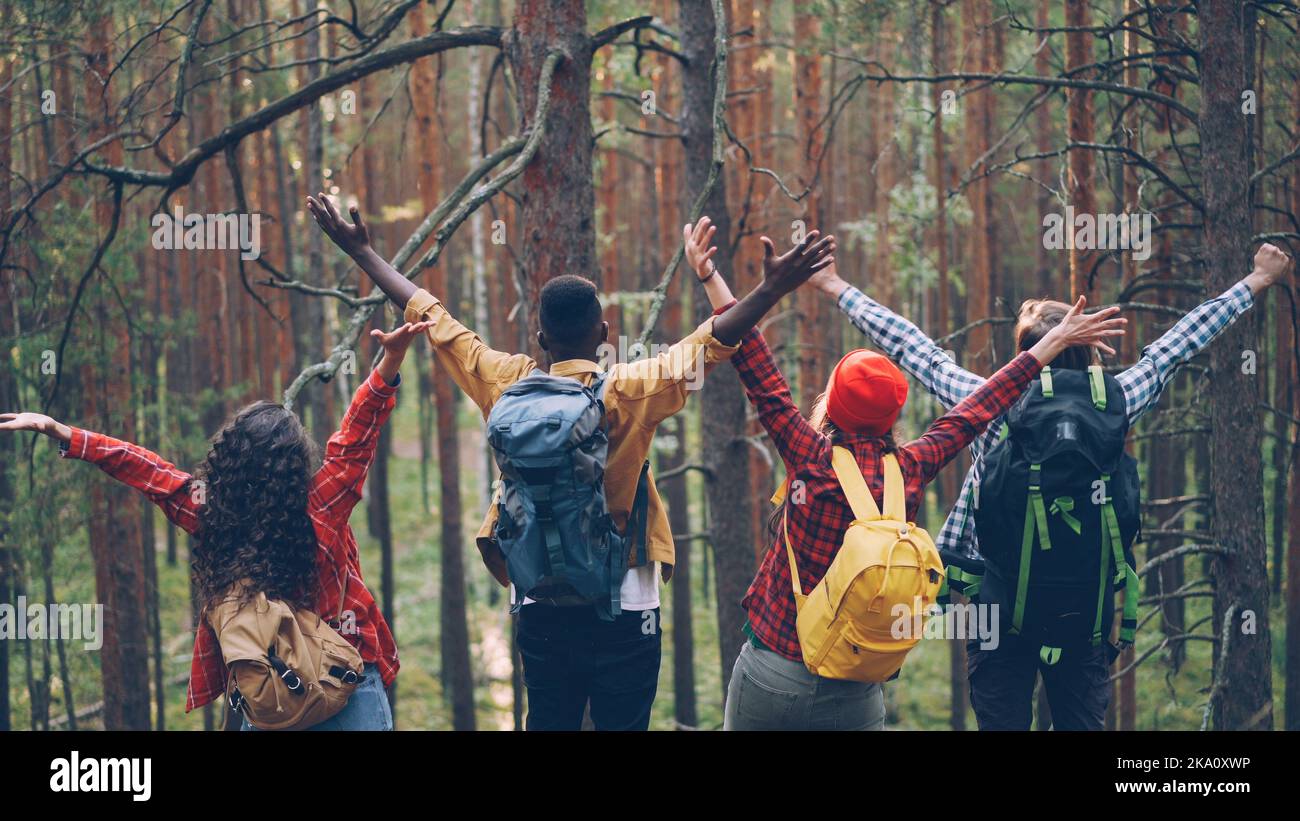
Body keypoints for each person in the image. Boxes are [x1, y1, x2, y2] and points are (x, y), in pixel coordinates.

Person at [306, 193, 835, 730]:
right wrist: (771, 288)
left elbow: (433, 318)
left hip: (538, 596)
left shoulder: (504, 382)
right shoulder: (630, 390)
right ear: (603, 335)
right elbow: (712, 342)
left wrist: (365, 255)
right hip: (626, 602)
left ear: (541, 339)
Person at [805, 241, 1294, 730]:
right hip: (1083, 614)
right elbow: (1176, 347)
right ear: (1087, 348)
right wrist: (1255, 280)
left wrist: (834, 285)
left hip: (996, 612)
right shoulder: (1117, 402)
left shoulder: (989, 400)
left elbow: (914, 350)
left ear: (1026, 352)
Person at [680, 217, 1126, 730]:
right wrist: (1048, 349)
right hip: (856, 686)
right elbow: (983, 406)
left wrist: (711, 276)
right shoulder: (911, 469)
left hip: (774, 669)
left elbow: (757, 366)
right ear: (892, 416)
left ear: (832, 403)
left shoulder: (809, 458)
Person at [0, 320, 430, 730]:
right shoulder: (321, 506)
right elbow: (355, 440)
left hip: (275, 694)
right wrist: (390, 361)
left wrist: (68, 435)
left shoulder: (212, 515)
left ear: (230, 461)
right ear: (295, 464)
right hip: (345, 684)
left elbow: (148, 471)